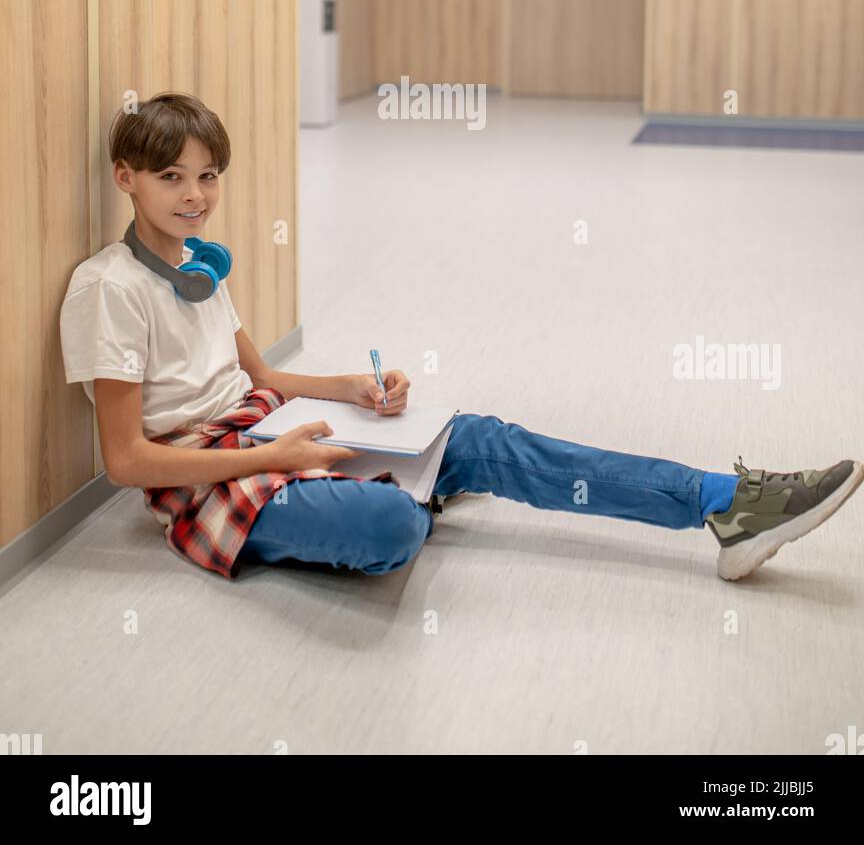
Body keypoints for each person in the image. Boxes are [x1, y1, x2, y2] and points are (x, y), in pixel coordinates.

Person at [60, 93, 863, 586]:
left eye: (207, 176)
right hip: (205, 477)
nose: (195, 196)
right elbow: (127, 461)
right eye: (171, 177)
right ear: (126, 177)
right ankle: (408, 492)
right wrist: (273, 458)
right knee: (390, 529)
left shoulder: (200, 264)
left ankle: (726, 504)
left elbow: (261, 377)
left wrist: (355, 389)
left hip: (266, 427)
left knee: (482, 436)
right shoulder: (109, 288)